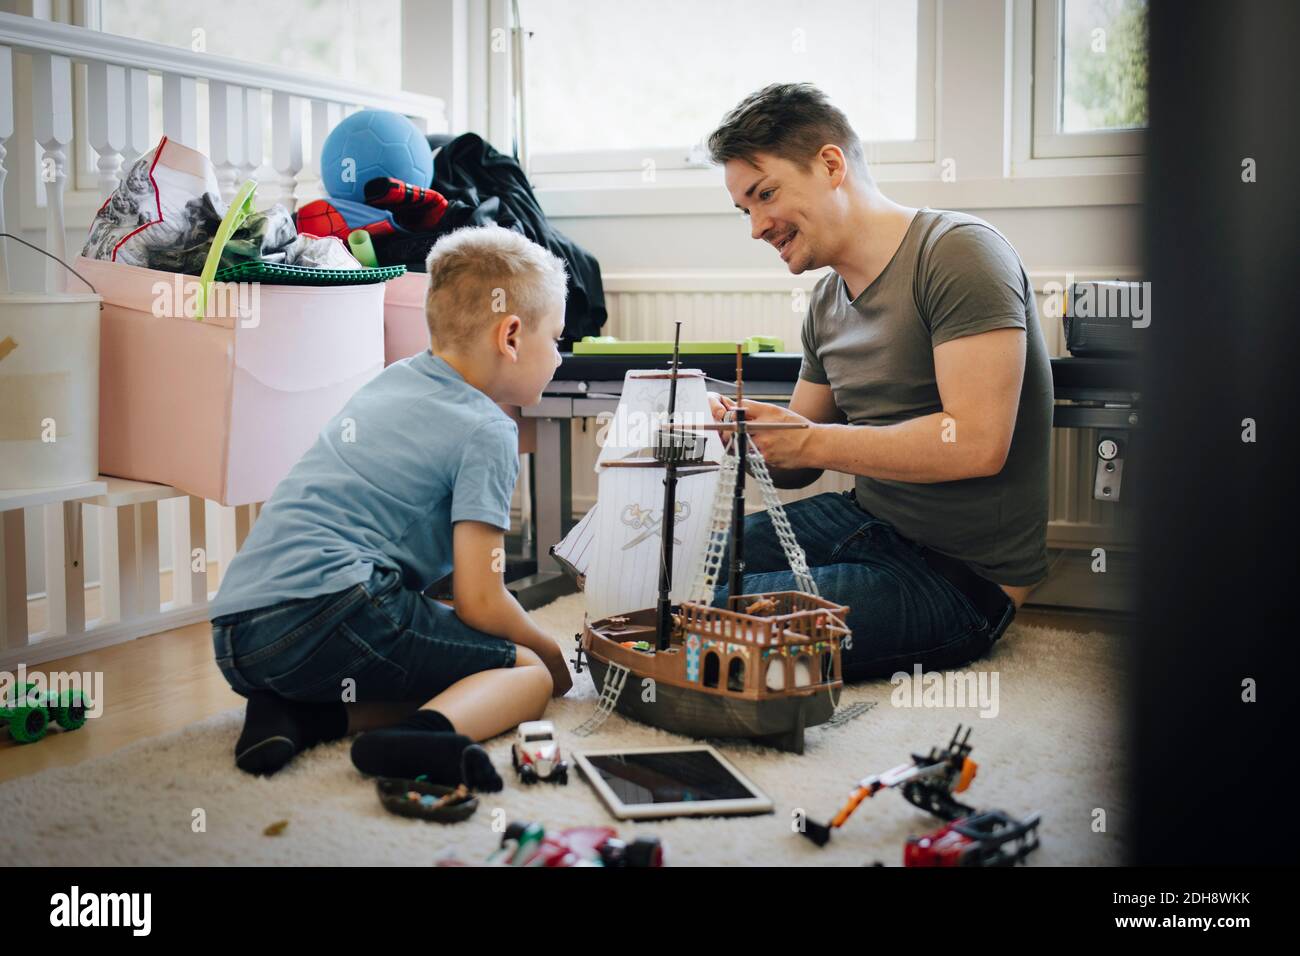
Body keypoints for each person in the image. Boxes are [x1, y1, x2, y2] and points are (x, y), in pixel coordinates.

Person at [704, 83, 1053, 680]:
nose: (757, 227)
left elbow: (975, 443)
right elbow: (799, 464)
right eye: (745, 209)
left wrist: (809, 440)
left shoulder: (958, 254)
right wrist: (740, 433)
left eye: (765, 195)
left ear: (830, 164)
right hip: (862, 521)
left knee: (714, 618)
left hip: (958, 575)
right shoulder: (824, 302)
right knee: (675, 567)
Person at [209, 225, 573, 779]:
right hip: (330, 614)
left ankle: (301, 716)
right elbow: (481, 600)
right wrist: (551, 654)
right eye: (556, 338)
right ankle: (416, 741)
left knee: (448, 658)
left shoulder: (392, 381)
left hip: (237, 633)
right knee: (523, 675)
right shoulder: (487, 430)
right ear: (512, 335)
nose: (559, 357)